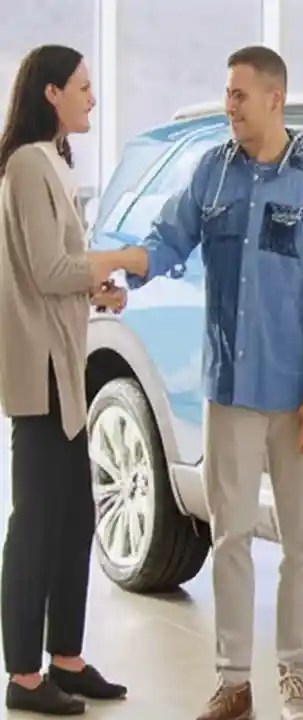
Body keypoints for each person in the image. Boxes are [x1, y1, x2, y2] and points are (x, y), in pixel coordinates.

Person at [112, 45, 303, 720]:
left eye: (240, 94)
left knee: (299, 547)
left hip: (296, 396)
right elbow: (166, 241)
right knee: (230, 540)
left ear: (275, 99)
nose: (229, 106)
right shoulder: (212, 173)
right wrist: (125, 278)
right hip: (230, 393)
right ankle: (233, 683)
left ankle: (295, 680)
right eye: (227, 94)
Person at [0, 44, 130, 715]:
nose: (91, 98)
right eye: (82, 86)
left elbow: (56, 275)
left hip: (64, 367)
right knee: (36, 523)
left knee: (76, 516)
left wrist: (96, 290)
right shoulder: (26, 164)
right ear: (50, 92)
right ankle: (23, 677)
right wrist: (116, 258)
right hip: (42, 373)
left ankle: (67, 658)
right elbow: (49, 270)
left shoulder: (52, 160)